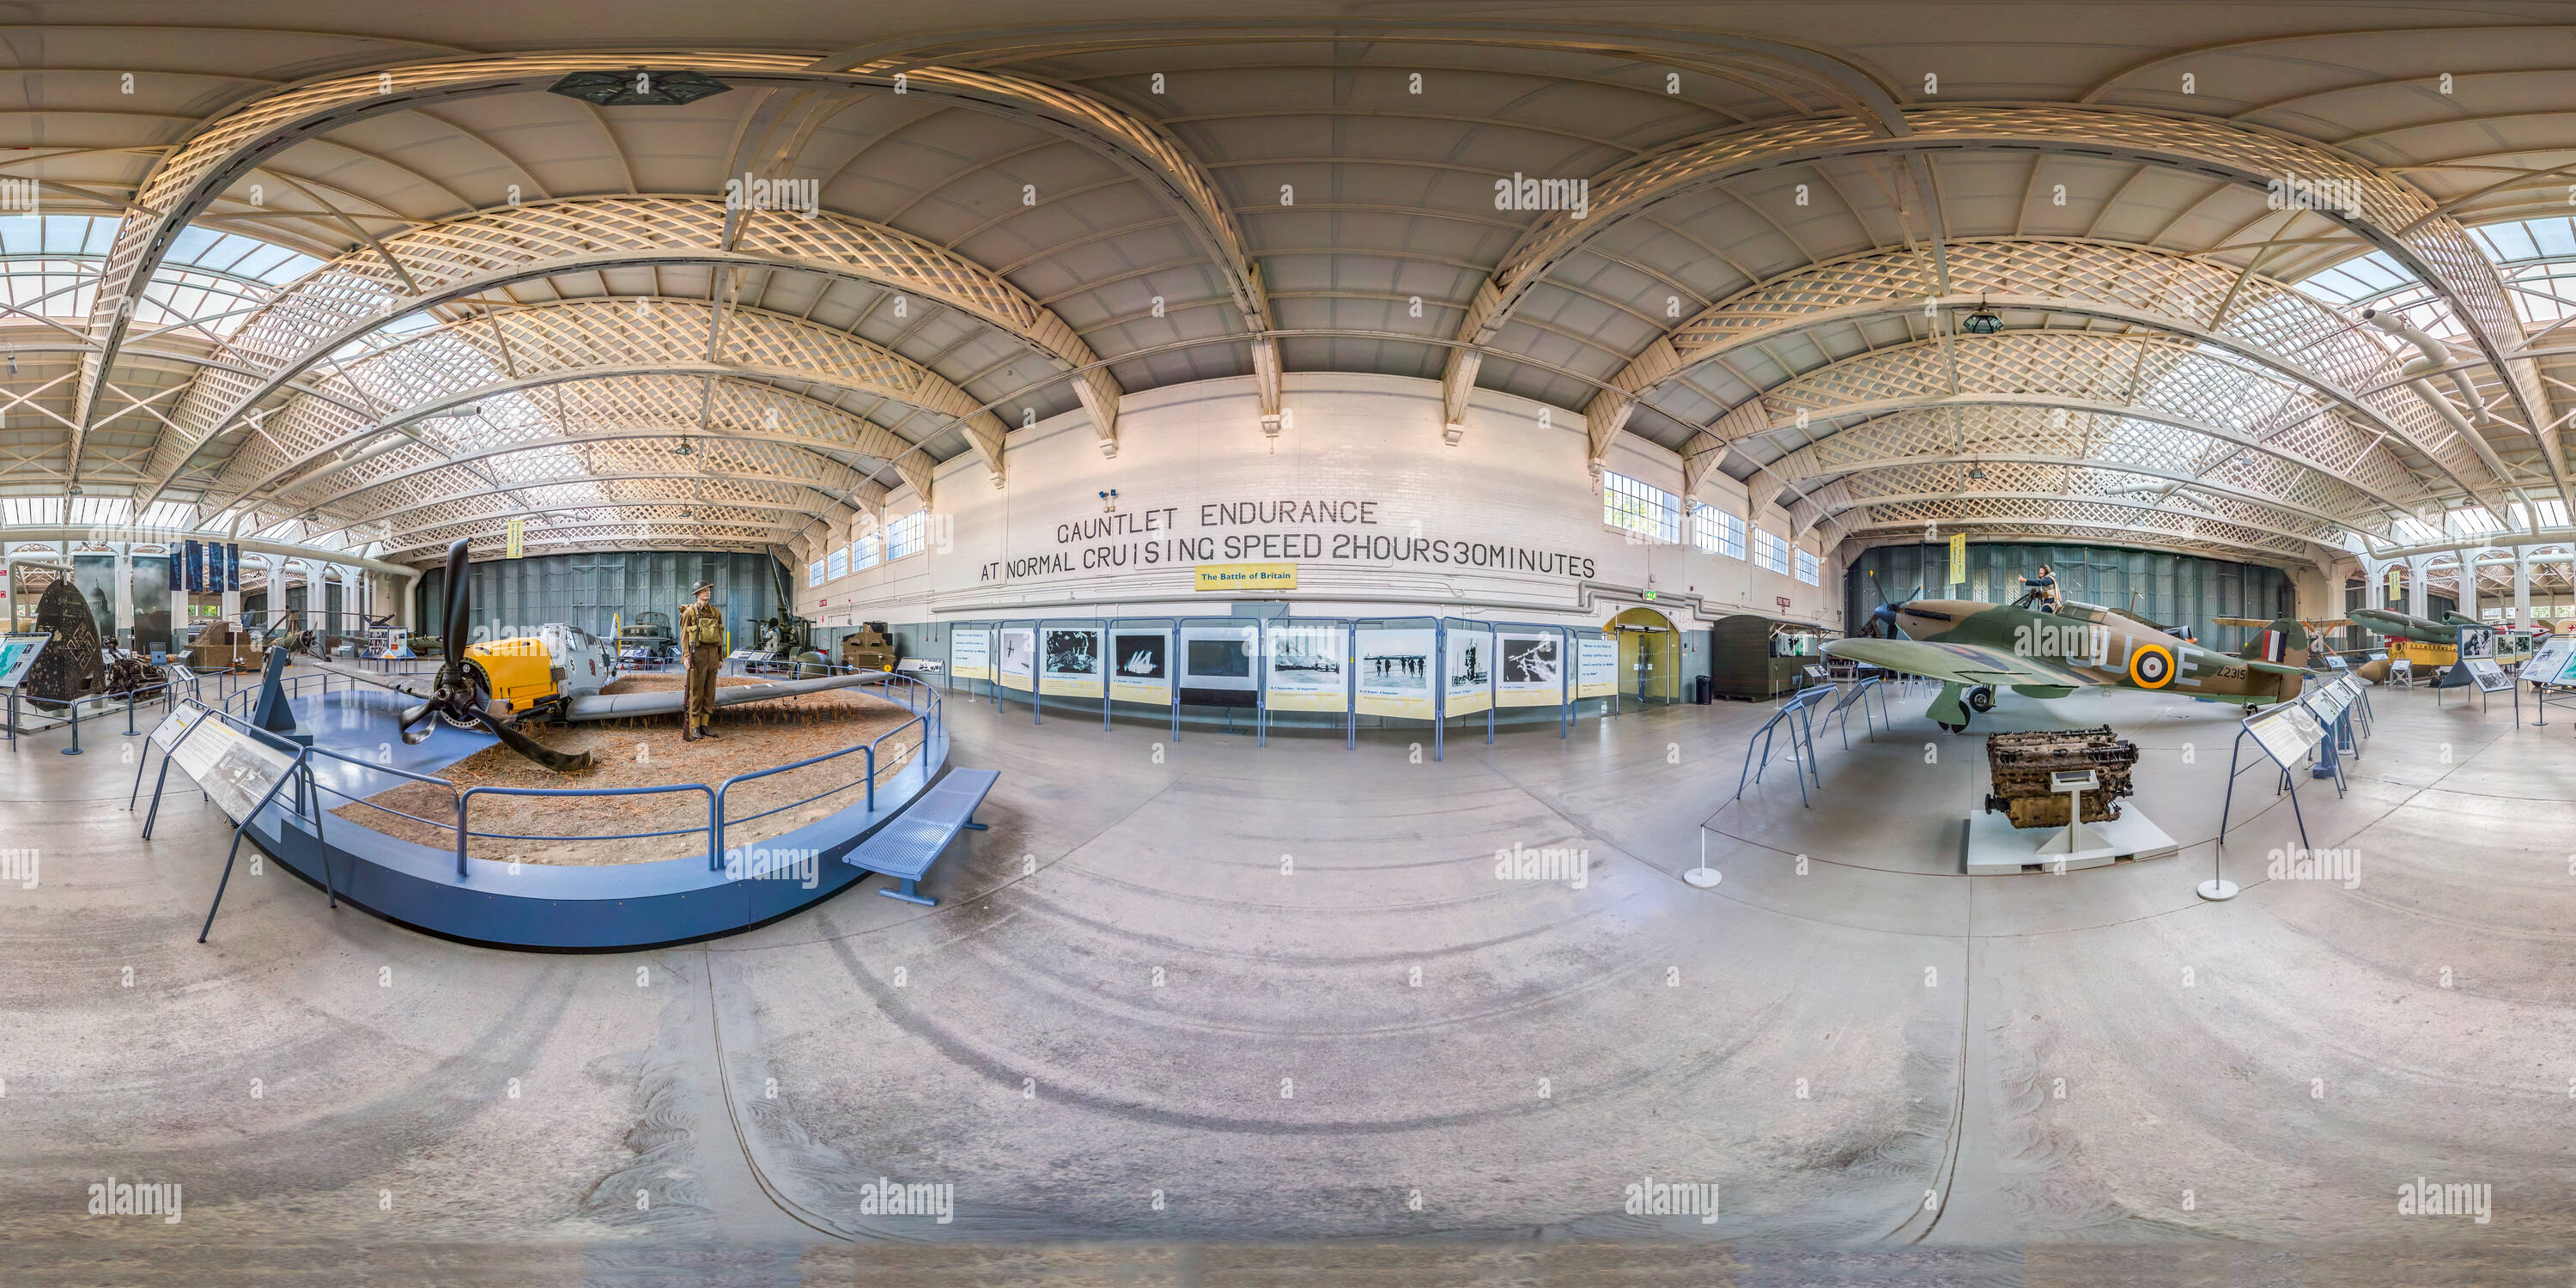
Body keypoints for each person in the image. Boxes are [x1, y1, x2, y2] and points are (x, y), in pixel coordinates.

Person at [679, 581, 726, 741]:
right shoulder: (689, 613)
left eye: (708, 590)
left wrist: (720, 657)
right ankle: (694, 727)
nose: (707, 593)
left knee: (710, 691)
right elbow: (684, 637)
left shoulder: (715, 613)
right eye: (703, 591)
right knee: (696, 691)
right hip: (696, 655)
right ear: (696, 594)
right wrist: (686, 657)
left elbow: (719, 637)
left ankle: (704, 725)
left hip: (712, 654)